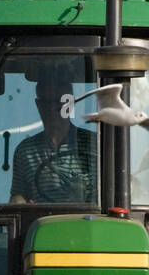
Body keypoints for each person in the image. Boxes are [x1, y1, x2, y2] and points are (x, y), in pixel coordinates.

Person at [9, 76, 97, 204]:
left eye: (59, 102)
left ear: (70, 105)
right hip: (44, 221)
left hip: (88, 221)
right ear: (38, 105)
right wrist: (19, 203)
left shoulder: (94, 144)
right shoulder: (26, 151)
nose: (52, 109)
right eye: (46, 102)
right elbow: (18, 195)